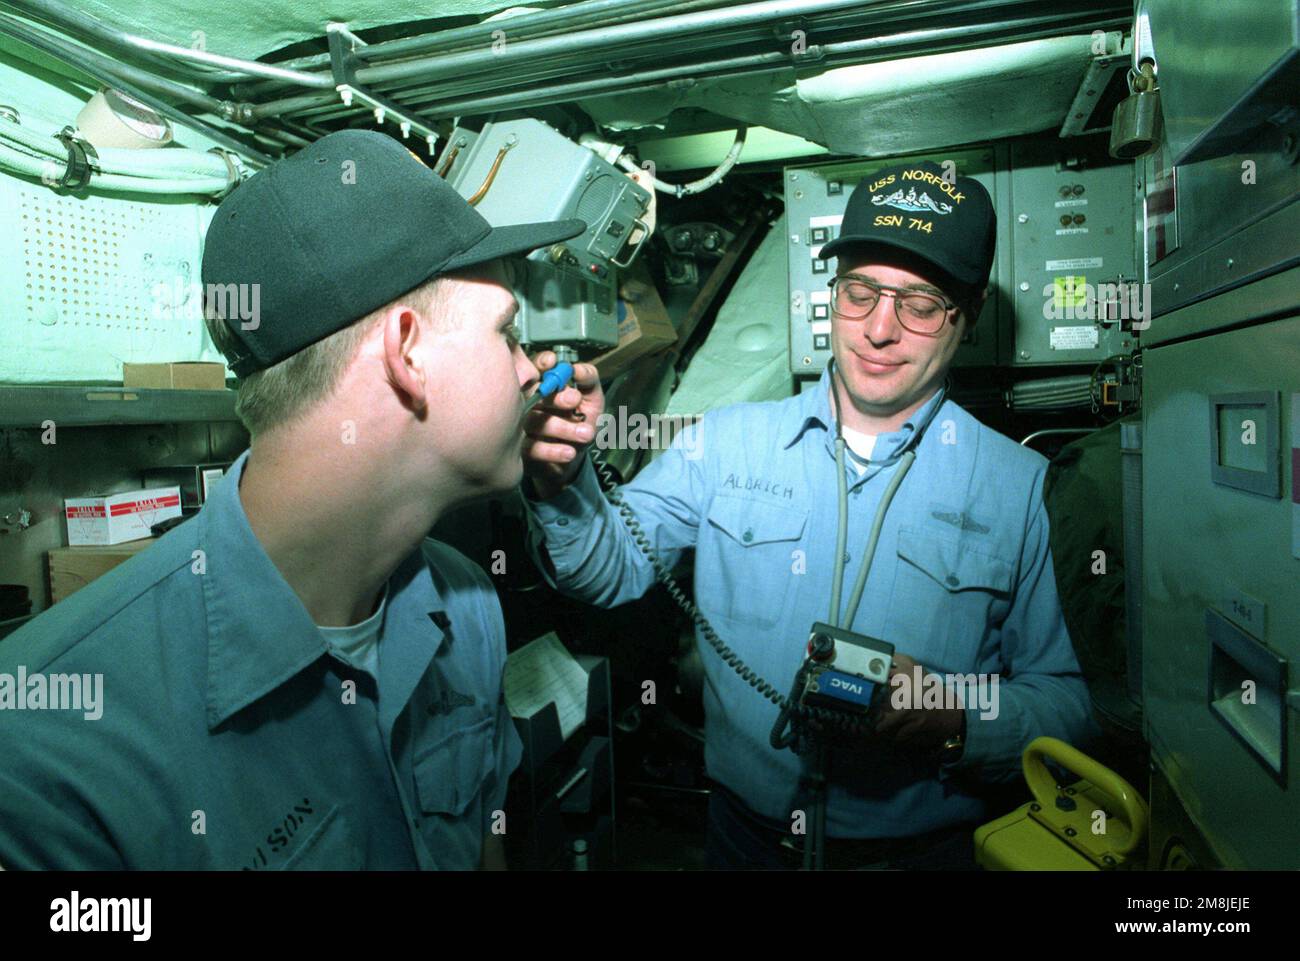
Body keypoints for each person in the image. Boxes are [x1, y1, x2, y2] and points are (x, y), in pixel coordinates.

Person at [0, 129, 586, 869]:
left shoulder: (465, 608)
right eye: (507, 331)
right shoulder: (48, 745)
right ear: (407, 353)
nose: (533, 368)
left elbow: (482, 844)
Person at [522, 159, 1097, 869]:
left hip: (923, 854)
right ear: (834, 293)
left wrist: (955, 716)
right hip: (744, 840)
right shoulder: (721, 441)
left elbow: (1067, 705)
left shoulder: (1025, 489)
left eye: (919, 304)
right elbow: (603, 569)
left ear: (967, 316)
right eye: (859, 292)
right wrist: (560, 477)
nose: (879, 329)